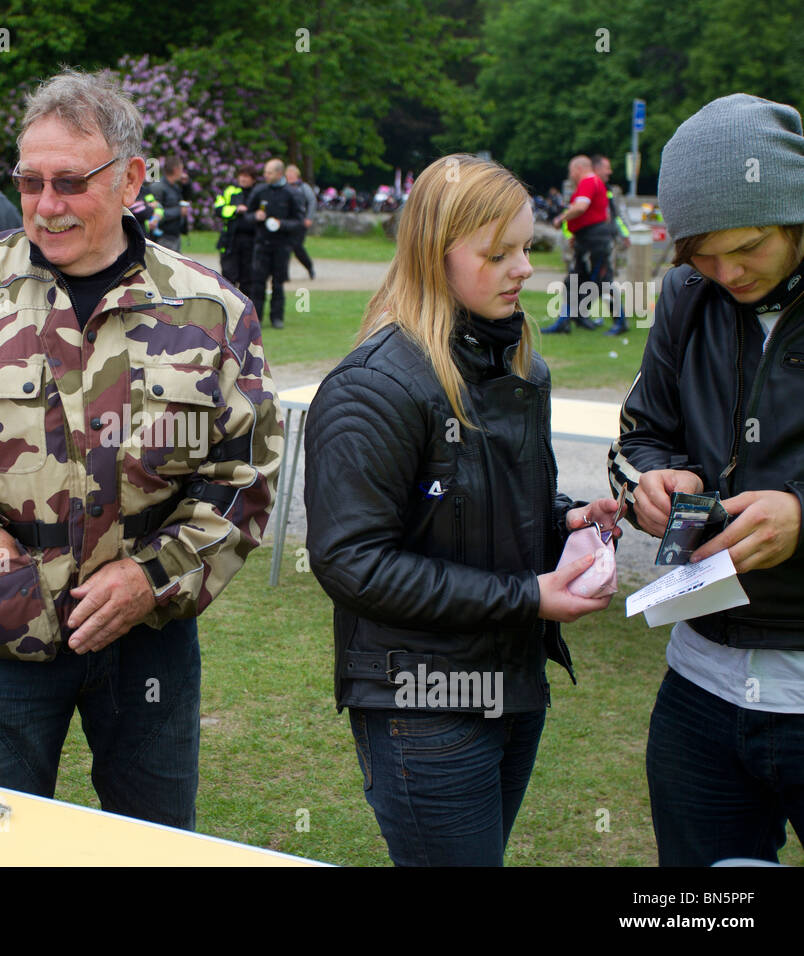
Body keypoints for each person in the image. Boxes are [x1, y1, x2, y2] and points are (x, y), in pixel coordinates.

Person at [0, 68, 283, 829]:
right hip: (2, 635)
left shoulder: (210, 311)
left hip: (149, 640)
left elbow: (243, 476)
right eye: (31, 181)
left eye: (72, 182)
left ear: (131, 179)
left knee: (154, 843)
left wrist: (153, 578)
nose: (47, 206)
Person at [304, 154, 620, 866]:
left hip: (513, 684)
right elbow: (351, 563)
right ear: (433, 252)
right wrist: (527, 596)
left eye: (528, 248)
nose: (522, 270)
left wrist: (564, 520)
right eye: (497, 252)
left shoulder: (518, 368)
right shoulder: (374, 388)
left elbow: (489, 508)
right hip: (422, 703)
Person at [607, 93, 804, 867]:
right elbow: (638, 434)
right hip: (700, 679)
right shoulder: (689, 298)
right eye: (701, 255)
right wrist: (653, 481)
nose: (726, 272)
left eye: (747, 247)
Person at [545, 155, 615, 334]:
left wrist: (561, 218)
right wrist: (578, 234)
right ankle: (570, 319)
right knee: (578, 281)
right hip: (590, 239)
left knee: (596, 281)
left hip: (593, 241)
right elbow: (600, 214)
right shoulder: (597, 183)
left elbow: (581, 207)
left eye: (571, 171)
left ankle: (618, 321)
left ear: (577, 169)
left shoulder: (588, 182)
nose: (571, 175)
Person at [247, 158, 304, 329]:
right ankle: (255, 319)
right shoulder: (259, 191)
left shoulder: (292, 194)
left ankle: (277, 318)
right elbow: (247, 216)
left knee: (278, 283)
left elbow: (299, 222)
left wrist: (282, 224)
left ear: (279, 173)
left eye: (269, 172)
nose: (265, 175)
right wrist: (255, 216)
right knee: (257, 283)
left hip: (281, 245)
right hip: (261, 244)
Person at [592, 154, 630, 335]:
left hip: (604, 244)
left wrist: (624, 235)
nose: (610, 172)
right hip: (591, 245)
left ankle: (620, 321)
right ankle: (576, 318)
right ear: (596, 168)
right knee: (586, 281)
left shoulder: (607, 190)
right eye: (607, 167)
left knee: (604, 281)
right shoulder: (590, 188)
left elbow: (616, 216)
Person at [213, 164, 256, 291]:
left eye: (247, 177)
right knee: (228, 278)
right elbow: (218, 209)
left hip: (250, 242)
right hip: (230, 240)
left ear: (253, 179)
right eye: (241, 176)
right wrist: (235, 210)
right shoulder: (229, 191)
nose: (243, 179)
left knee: (247, 280)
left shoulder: (257, 193)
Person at [141, 155, 190, 251]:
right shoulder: (158, 188)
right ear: (176, 170)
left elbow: (185, 198)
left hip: (174, 235)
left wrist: (186, 185)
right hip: (163, 238)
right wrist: (179, 211)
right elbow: (154, 212)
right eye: (181, 169)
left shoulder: (174, 187)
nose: (182, 173)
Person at [285, 163, 317, 280]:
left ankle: (309, 267)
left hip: (300, 222)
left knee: (297, 247)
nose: (290, 177)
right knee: (285, 248)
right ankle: (284, 274)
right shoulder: (284, 188)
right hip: (286, 223)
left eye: (292, 174)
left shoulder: (304, 187)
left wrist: (309, 218)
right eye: (288, 174)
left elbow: (312, 202)